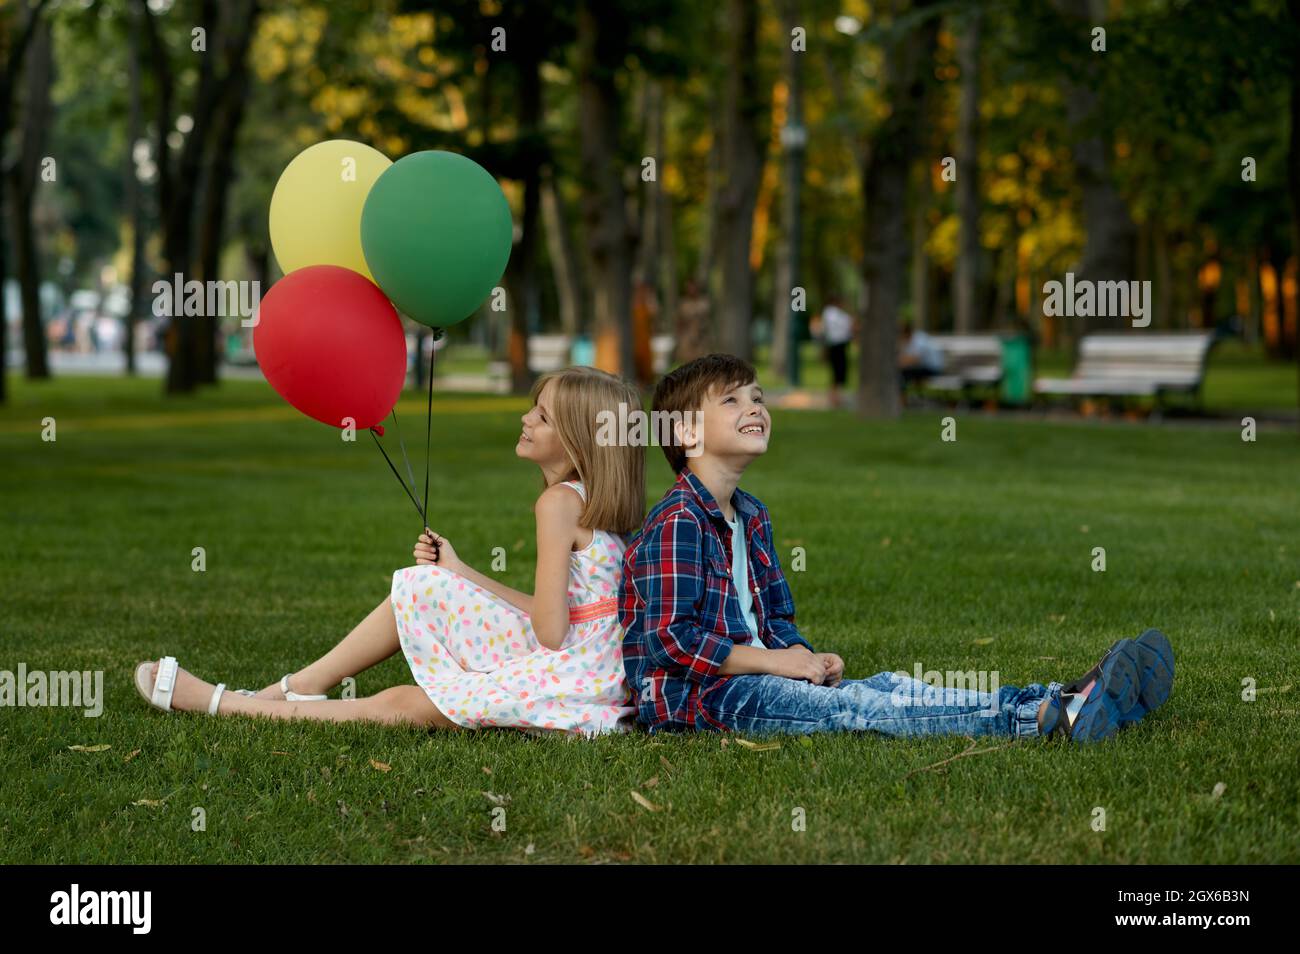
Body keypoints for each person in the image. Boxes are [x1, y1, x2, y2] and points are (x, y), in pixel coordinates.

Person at [619, 353, 1175, 739]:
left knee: (891, 686)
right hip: (702, 701)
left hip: (754, 676)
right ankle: (1040, 719)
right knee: (859, 708)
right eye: (733, 400)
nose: (756, 408)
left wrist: (804, 657)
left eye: (758, 396)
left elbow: (776, 616)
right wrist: (780, 665)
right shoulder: (678, 521)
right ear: (687, 434)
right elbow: (673, 641)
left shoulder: (751, 514)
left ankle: (1065, 695)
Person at [135, 367, 646, 736]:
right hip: (596, 669)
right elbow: (567, 615)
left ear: (577, 441)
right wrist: (462, 572)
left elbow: (551, 631)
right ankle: (296, 686)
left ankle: (224, 705)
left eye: (543, 416)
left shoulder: (558, 504)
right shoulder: (593, 505)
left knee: (404, 705)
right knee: (426, 584)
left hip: (575, 682)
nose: (525, 418)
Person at [817, 295, 855, 408]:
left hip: (837, 345)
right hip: (837, 345)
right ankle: (834, 398)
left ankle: (836, 397)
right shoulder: (833, 314)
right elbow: (848, 325)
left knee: (838, 372)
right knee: (838, 371)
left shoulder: (831, 314)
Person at [898, 322, 945, 400]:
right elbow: (905, 358)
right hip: (924, 367)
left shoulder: (919, 339)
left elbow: (915, 359)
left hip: (934, 368)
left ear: (906, 332)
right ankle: (913, 398)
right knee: (904, 373)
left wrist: (900, 363)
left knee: (903, 374)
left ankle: (904, 400)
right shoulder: (909, 340)